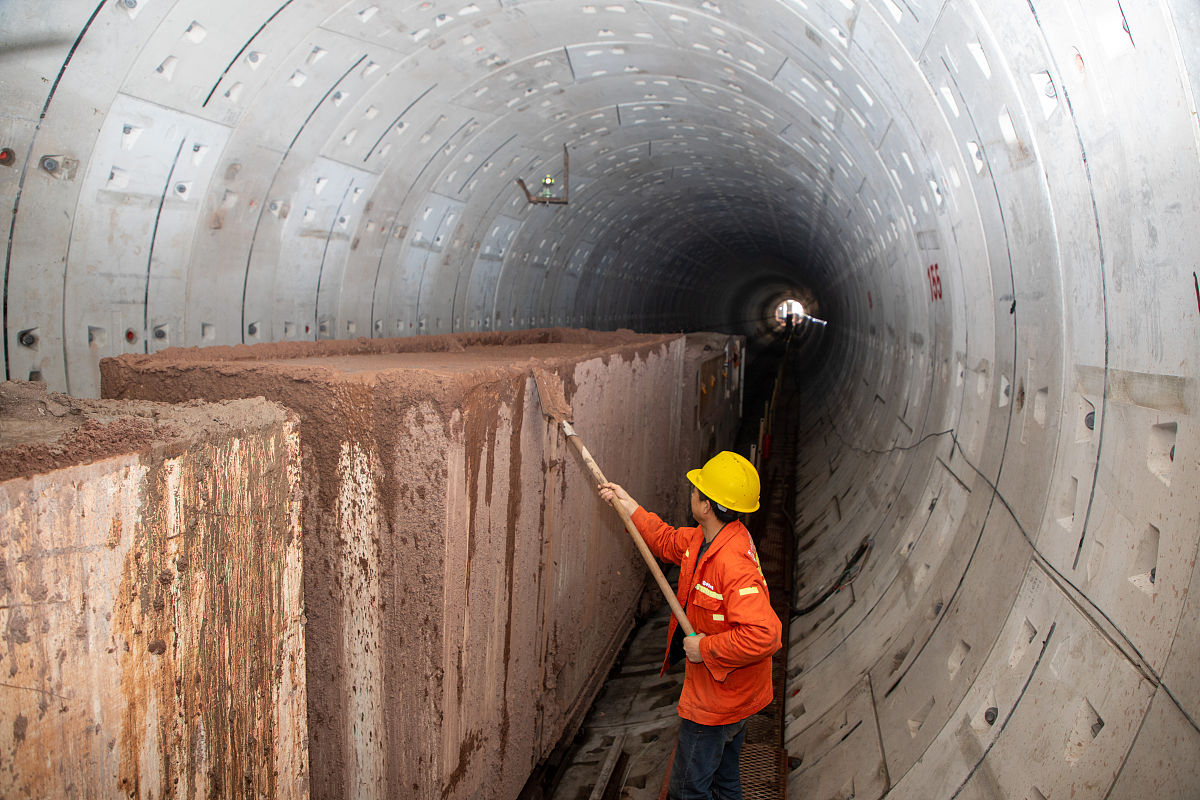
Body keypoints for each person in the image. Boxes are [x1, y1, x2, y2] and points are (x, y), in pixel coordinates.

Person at [599, 451, 782, 800]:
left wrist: (705, 649)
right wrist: (629, 506)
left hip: (719, 702)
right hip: (728, 695)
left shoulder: (733, 563)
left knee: (687, 791)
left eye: (697, 490)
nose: (692, 493)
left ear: (707, 506)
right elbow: (665, 540)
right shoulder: (706, 539)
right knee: (725, 783)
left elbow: (766, 634)